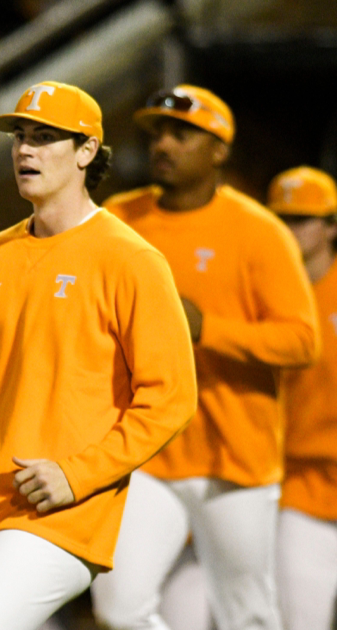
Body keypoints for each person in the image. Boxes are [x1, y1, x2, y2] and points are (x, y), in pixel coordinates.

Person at [0, 81, 197, 630]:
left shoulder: (130, 259)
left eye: (45, 137)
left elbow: (172, 397)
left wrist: (77, 474)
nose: (25, 150)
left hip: (60, 512)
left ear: (87, 151)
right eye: (20, 136)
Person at [90, 85, 319, 630]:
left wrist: (207, 329)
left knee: (249, 616)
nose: (163, 144)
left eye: (182, 134)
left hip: (233, 456)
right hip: (147, 450)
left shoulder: (259, 231)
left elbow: (301, 341)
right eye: (157, 134)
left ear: (220, 150)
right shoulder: (118, 218)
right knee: (118, 607)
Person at [267, 166, 337, 630]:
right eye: (280, 219)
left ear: (331, 226)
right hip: (301, 491)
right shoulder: (263, 295)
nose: (289, 230)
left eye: (301, 219)